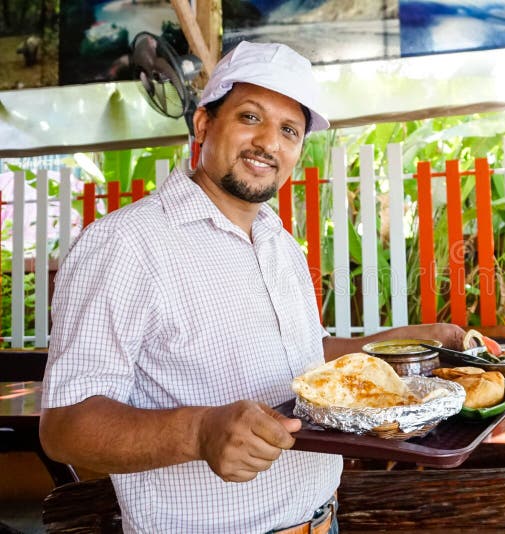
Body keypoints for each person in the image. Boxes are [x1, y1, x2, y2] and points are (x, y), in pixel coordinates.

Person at [39, 41, 466, 534]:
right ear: (204, 124)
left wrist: (411, 343)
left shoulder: (277, 240)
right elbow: (66, 426)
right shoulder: (126, 244)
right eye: (249, 117)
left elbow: (306, 360)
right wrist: (198, 433)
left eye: (289, 130)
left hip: (323, 522)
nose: (269, 143)